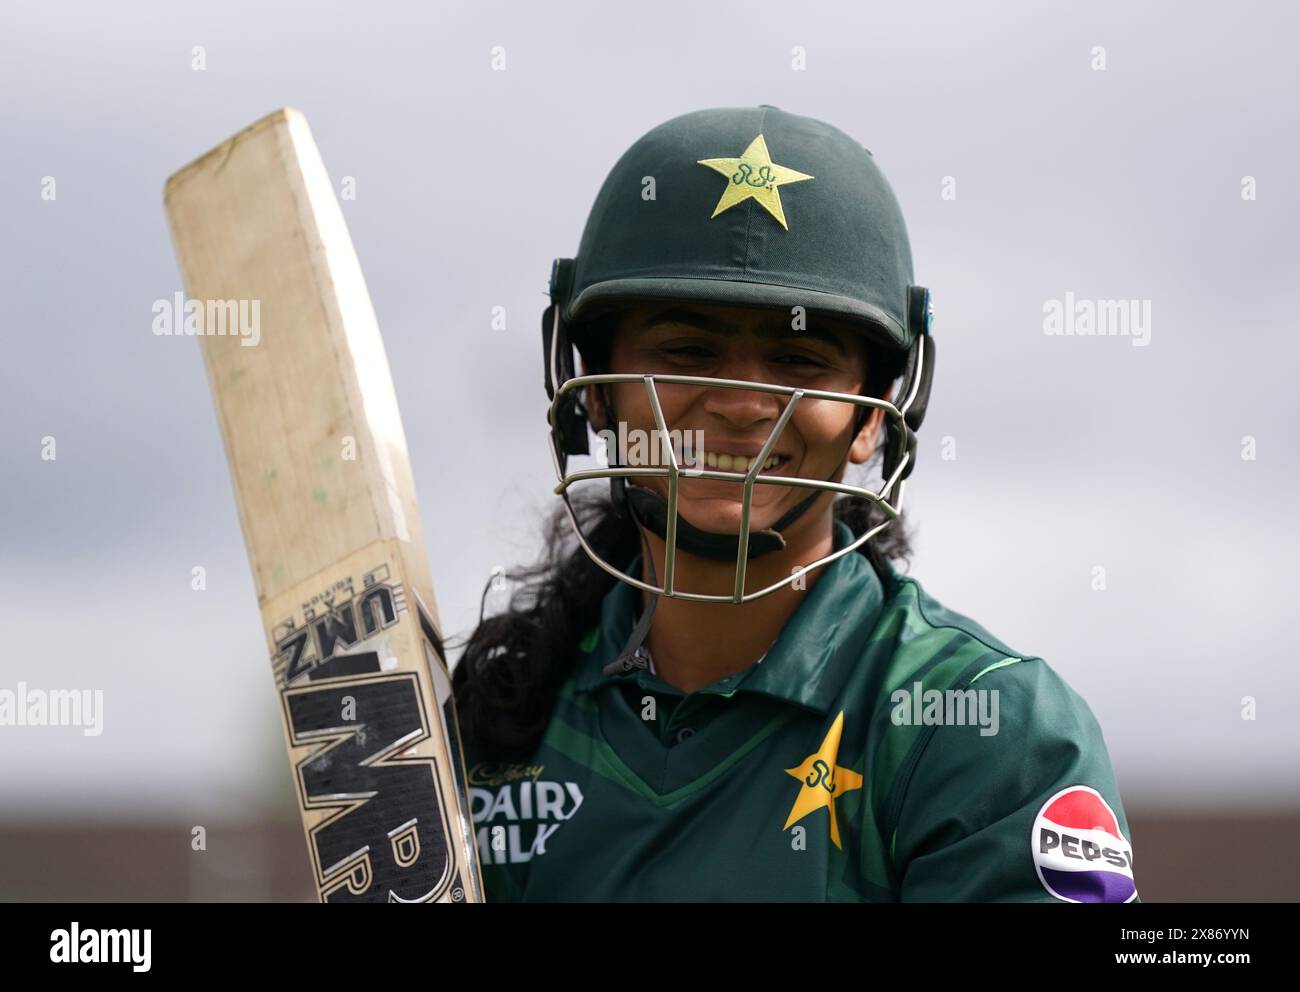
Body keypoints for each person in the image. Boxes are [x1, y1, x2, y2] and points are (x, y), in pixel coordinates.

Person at [452, 105, 1138, 902]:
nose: (742, 405)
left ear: (875, 414)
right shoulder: (496, 726)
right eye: (686, 350)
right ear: (594, 394)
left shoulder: (985, 731)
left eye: (797, 359)